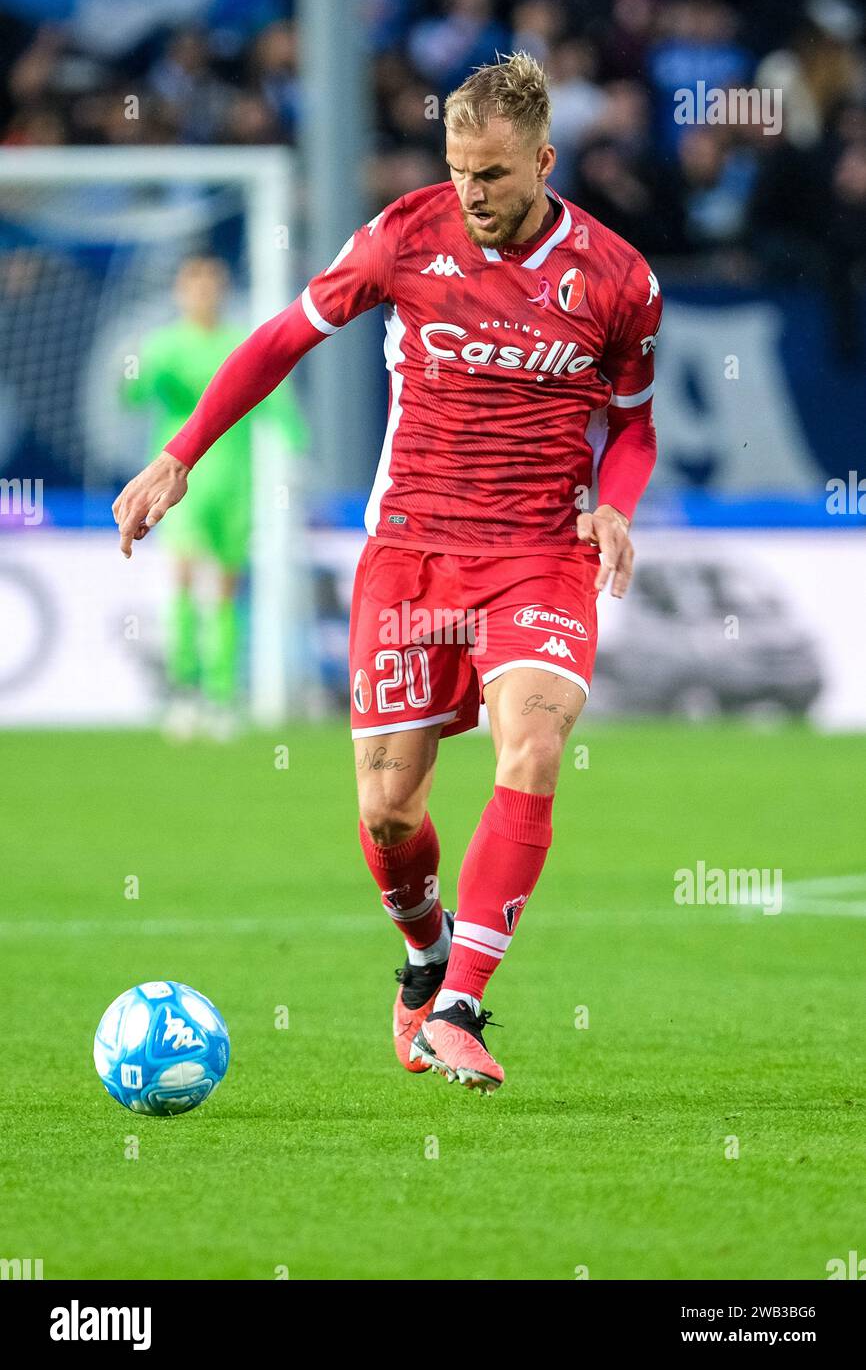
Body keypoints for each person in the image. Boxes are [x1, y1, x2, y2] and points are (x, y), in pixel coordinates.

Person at [112, 53, 662, 1091]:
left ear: (544, 159)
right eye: (459, 169)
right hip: (410, 556)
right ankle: (422, 962)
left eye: (494, 173)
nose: (473, 193)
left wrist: (615, 509)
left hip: (539, 555)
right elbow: (280, 338)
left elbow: (631, 432)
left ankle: (461, 1001)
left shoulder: (618, 280)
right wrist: (181, 453)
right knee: (388, 809)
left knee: (533, 743)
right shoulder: (404, 236)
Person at [121, 255, 307, 737]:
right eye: (195, 284)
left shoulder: (238, 345)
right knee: (183, 577)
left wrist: (296, 450)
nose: (204, 294)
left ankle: (222, 696)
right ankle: (184, 691)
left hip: (234, 481)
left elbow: (276, 404)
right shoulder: (164, 346)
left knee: (225, 588)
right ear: (181, 291)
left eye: (212, 284)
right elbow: (135, 396)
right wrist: (136, 372)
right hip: (178, 480)